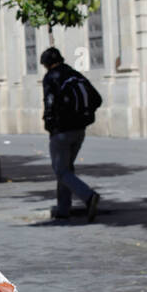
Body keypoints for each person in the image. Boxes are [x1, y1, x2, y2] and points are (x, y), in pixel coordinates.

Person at [41, 47, 102, 222]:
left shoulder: (51, 77)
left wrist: (51, 125)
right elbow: (97, 99)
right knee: (66, 169)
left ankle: (89, 196)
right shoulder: (74, 74)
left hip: (61, 131)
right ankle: (63, 209)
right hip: (79, 130)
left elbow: (50, 103)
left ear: (47, 64)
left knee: (60, 170)